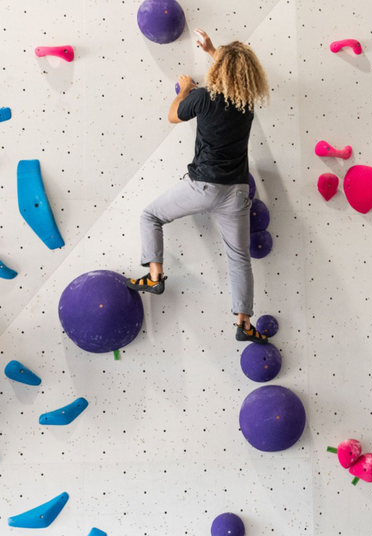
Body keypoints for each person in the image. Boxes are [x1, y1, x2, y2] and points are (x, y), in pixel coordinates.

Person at [126, 29, 271, 344]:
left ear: (218, 70)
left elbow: (172, 116)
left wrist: (184, 90)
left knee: (150, 216)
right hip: (236, 193)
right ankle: (244, 323)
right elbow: (234, 72)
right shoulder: (246, 104)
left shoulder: (203, 98)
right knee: (239, 258)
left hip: (203, 186)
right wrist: (211, 50)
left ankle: (155, 276)